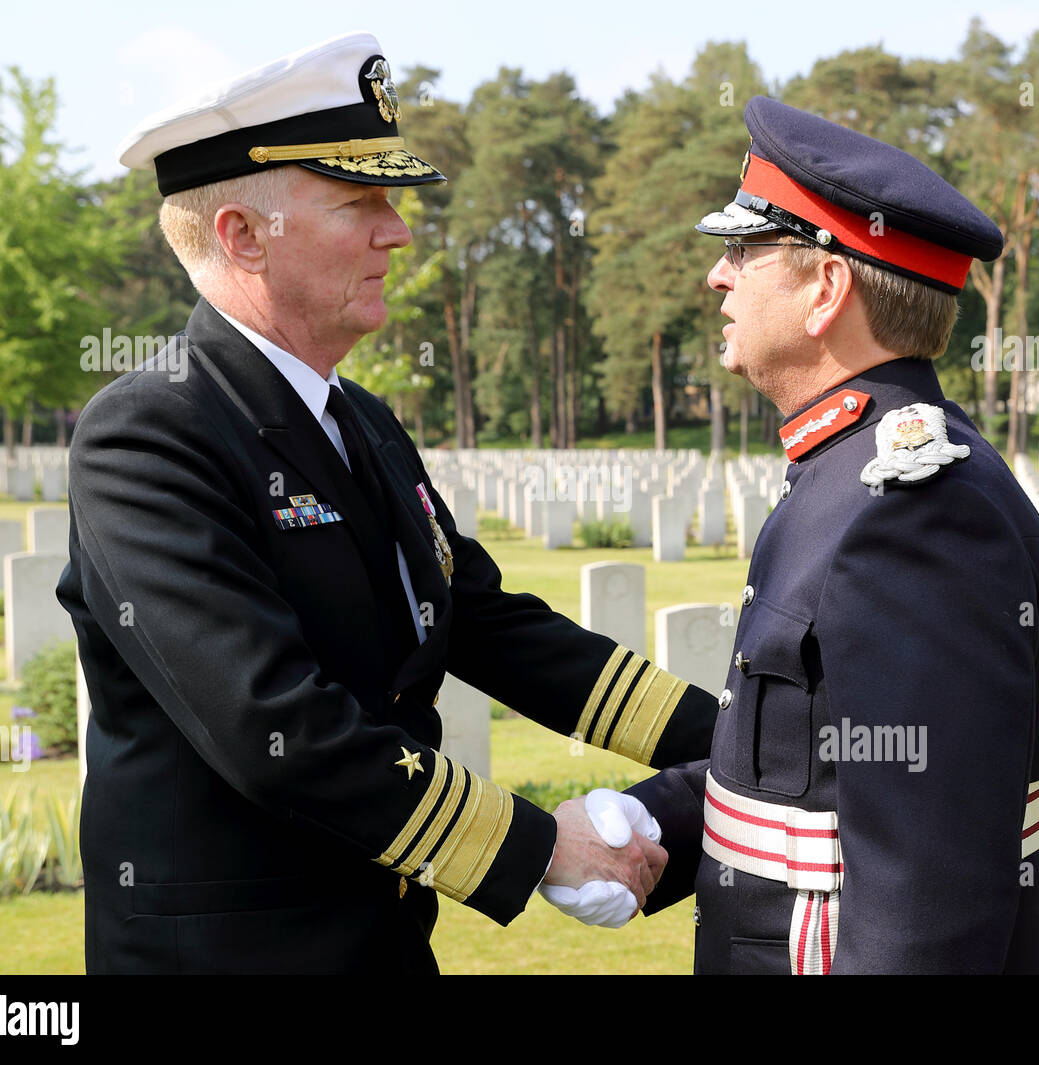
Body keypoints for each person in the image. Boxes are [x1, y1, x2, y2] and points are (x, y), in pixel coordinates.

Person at [56, 31, 716, 975]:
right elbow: (272, 723)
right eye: (358, 201)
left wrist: (737, 735)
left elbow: (480, 622)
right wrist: (535, 846)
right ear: (245, 234)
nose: (397, 231)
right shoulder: (150, 434)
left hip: (382, 941)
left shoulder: (356, 417)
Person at [587, 97, 1039, 974]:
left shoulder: (913, 511)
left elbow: (928, 902)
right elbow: (819, 770)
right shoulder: (844, 472)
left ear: (826, 289)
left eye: (742, 250)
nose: (717, 278)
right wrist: (655, 819)